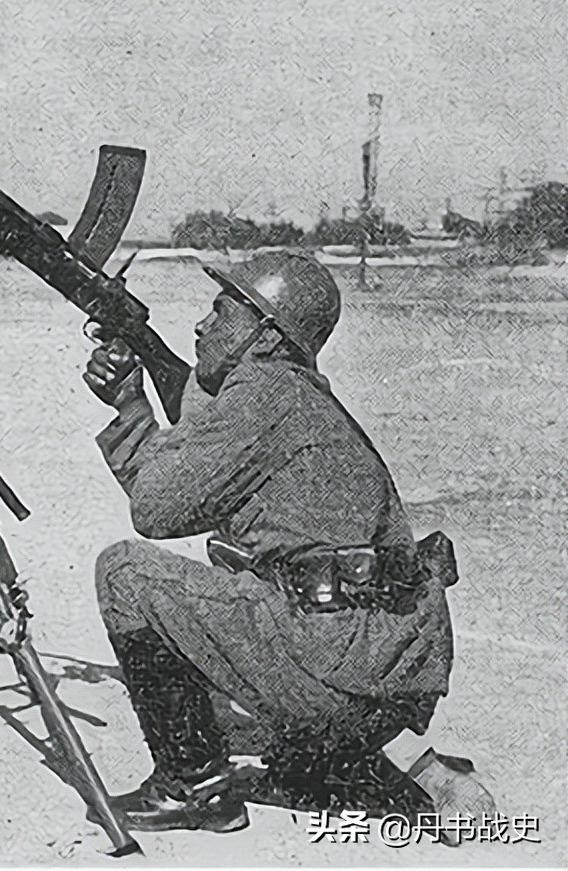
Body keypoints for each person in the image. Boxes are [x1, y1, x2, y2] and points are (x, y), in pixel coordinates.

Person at [83, 250, 492, 835]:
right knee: (243, 678)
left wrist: (129, 409)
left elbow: (154, 509)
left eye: (222, 310)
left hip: (339, 665)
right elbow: (186, 477)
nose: (203, 325)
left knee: (126, 573)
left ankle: (192, 787)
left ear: (265, 332)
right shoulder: (297, 395)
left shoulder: (264, 394)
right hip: (387, 670)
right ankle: (404, 776)